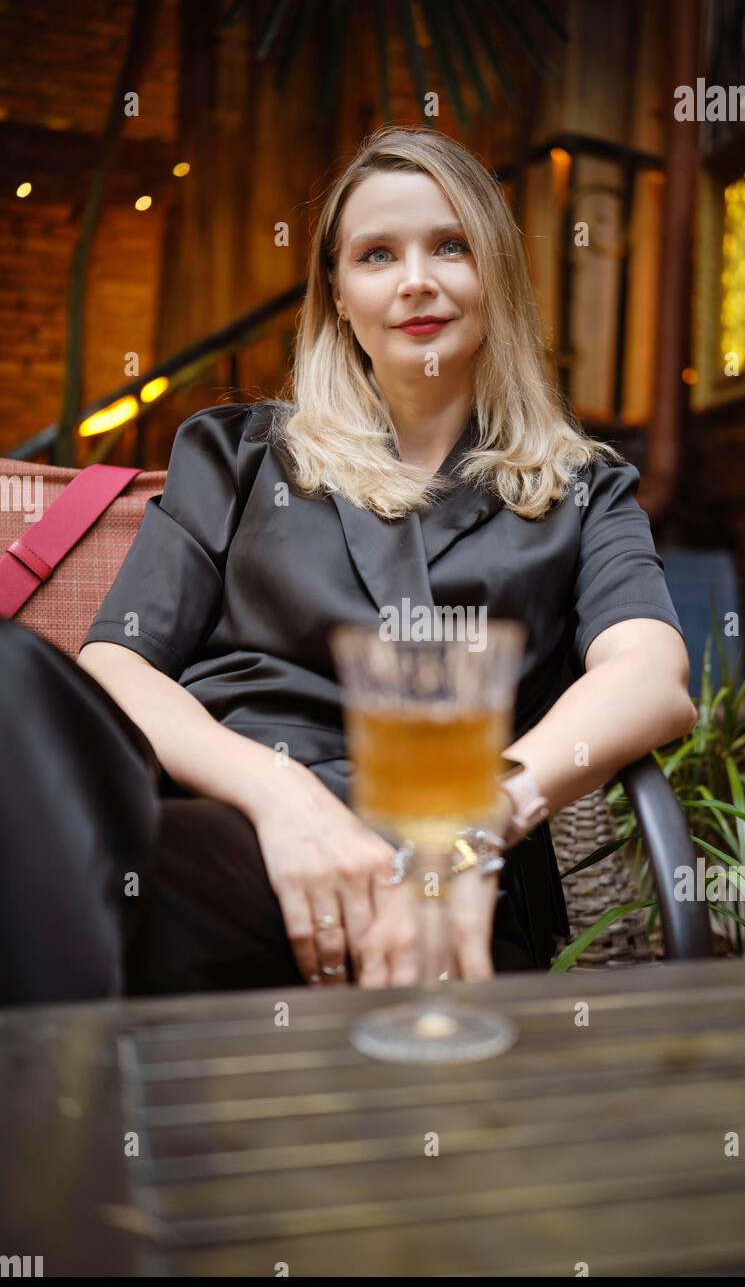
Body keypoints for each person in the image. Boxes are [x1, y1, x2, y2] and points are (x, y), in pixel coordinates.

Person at [0, 125, 696, 1008]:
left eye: (451, 246)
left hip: (445, 878)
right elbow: (117, 661)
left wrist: (478, 822)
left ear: (496, 272)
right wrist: (281, 799)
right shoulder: (239, 454)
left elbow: (652, 677)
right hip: (231, 838)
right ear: (337, 292)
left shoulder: (580, 486)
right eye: (376, 254)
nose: (416, 280)